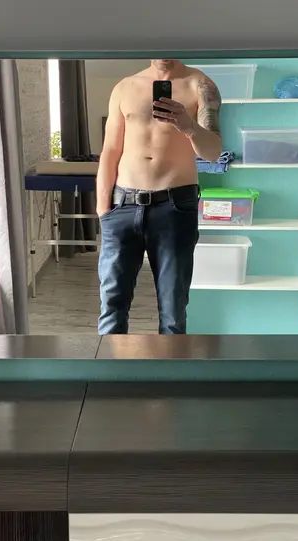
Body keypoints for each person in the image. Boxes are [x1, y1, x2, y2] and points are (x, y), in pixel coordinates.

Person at [96, 59, 222, 335]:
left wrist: (188, 125)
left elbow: (213, 152)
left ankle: (170, 365)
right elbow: (110, 150)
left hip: (174, 206)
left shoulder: (200, 85)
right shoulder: (125, 87)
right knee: (112, 306)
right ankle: (109, 364)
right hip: (122, 205)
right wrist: (103, 209)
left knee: (173, 310)